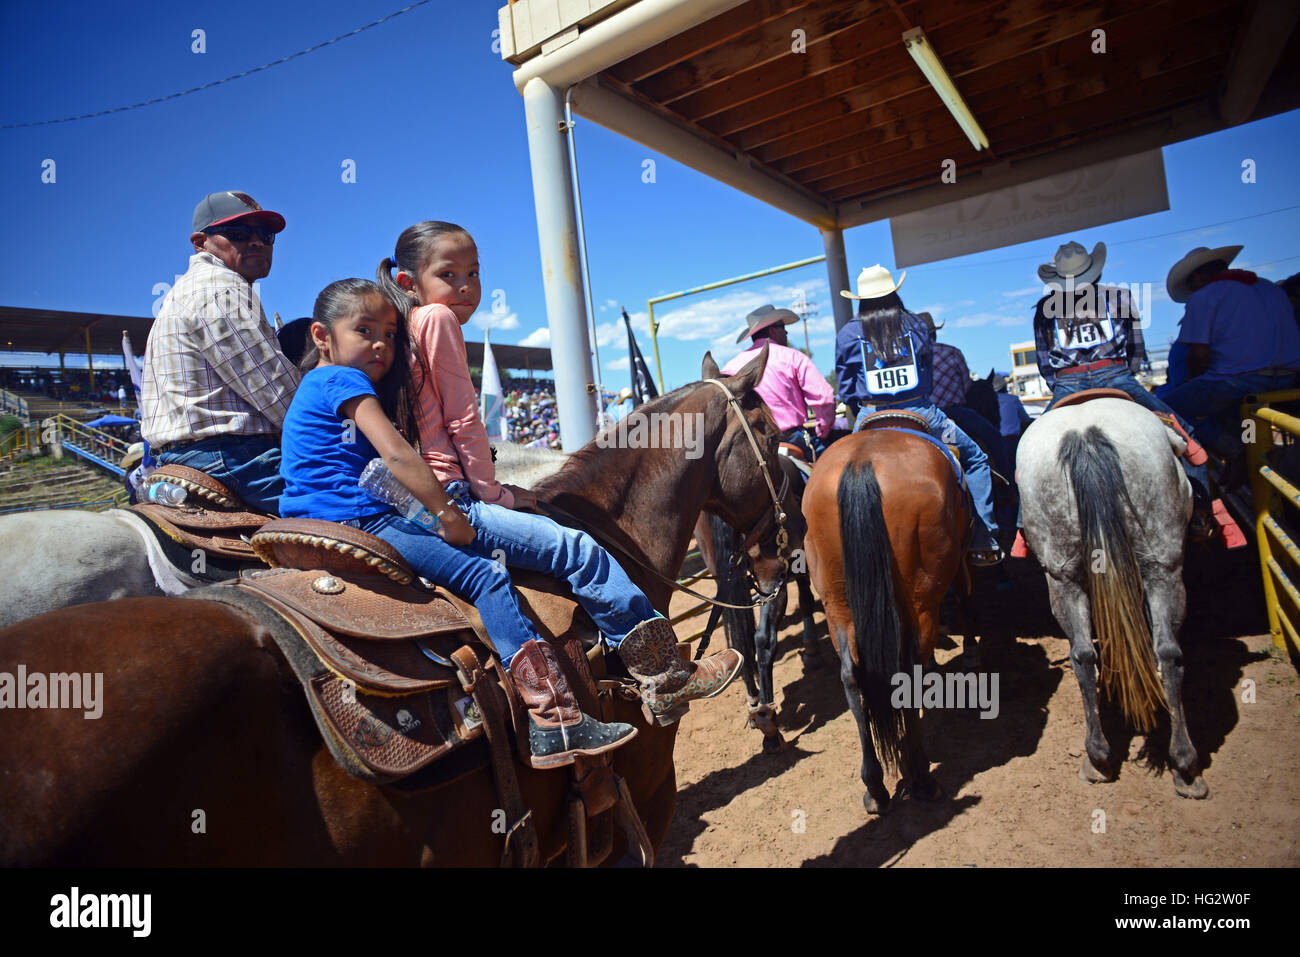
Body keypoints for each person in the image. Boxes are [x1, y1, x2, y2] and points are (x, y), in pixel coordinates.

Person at [377, 220, 743, 726]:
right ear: (407, 280)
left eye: (474, 273)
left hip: (412, 503)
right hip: (455, 495)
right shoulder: (437, 319)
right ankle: (663, 673)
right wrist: (494, 494)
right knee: (579, 550)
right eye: (449, 273)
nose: (465, 287)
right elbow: (463, 419)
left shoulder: (404, 328)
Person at [279, 278, 637, 767]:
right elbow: (398, 456)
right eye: (363, 330)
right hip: (359, 519)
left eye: (388, 332)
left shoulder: (313, 385)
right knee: (485, 574)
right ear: (322, 336)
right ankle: (555, 720)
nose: (380, 344)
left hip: (310, 522)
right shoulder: (345, 380)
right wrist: (449, 518)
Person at [1030, 240, 1214, 536]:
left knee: (1028, 450)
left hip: (1066, 383)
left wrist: (1063, 384)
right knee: (1185, 433)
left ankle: (1023, 529)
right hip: (1115, 375)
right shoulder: (1119, 297)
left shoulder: (1045, 308)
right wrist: (1120, 376)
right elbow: (1135, 349)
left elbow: (1044, 362)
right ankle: (1203, 511)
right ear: (1094, 271)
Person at [141, 191, 301, 513]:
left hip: (194, 455)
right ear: (201, 243)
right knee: (357, 510)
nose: (257, 242)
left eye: (266, 235)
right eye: (239, 233)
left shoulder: (189, 289)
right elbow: (280, 397)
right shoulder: (221, 288)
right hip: (233, 459)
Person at [834, 264, 1003, 565]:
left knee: (840, 474)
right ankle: (984, 536)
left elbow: (846, 386)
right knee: (976, 458)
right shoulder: (915, 324)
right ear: (894, 293)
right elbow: (926, 376)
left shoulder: (848, 333)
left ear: (861, 299)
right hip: (921, 410)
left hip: (868, 417)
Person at [1161, 244, 1300, 454]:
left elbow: (1199, 356)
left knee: (1167, 409)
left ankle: (1232, 451)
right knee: (1233, 405)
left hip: (1238, 382)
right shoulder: (1269, 288)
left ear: (1198, 277)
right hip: (1288, 379)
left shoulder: (1204, 296)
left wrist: (1191, 381)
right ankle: (1250, 452)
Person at [721, 304, 834, 461]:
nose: (786, 331)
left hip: (747, 445)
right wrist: (823, 429)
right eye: (782, 326)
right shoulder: (793, 357)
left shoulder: (730, 367)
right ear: (772, 330)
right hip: (791, 438)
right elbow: (824, 397)